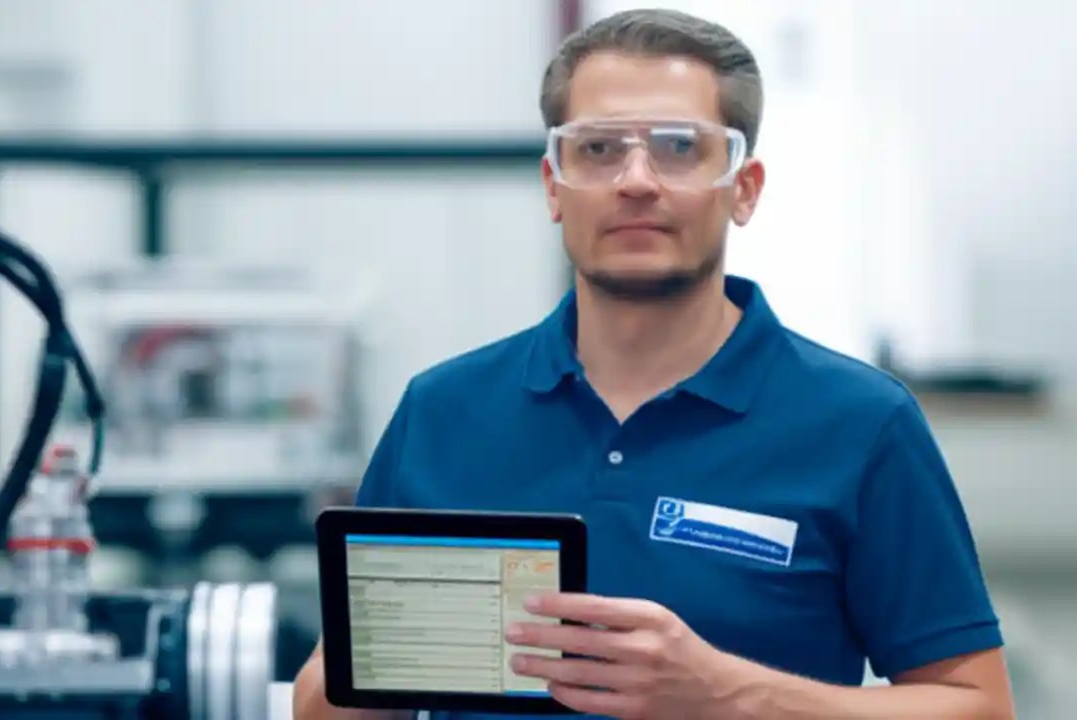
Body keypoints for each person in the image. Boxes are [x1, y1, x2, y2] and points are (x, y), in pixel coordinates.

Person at [294, 7, 1015, 720]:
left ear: (745, 187)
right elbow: (333, 694)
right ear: (553, 185)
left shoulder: (861, 424)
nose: (636, 179)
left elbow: (976, 707)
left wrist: (729, 695)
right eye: (600, 149)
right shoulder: (443, 411)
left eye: (677, 146)